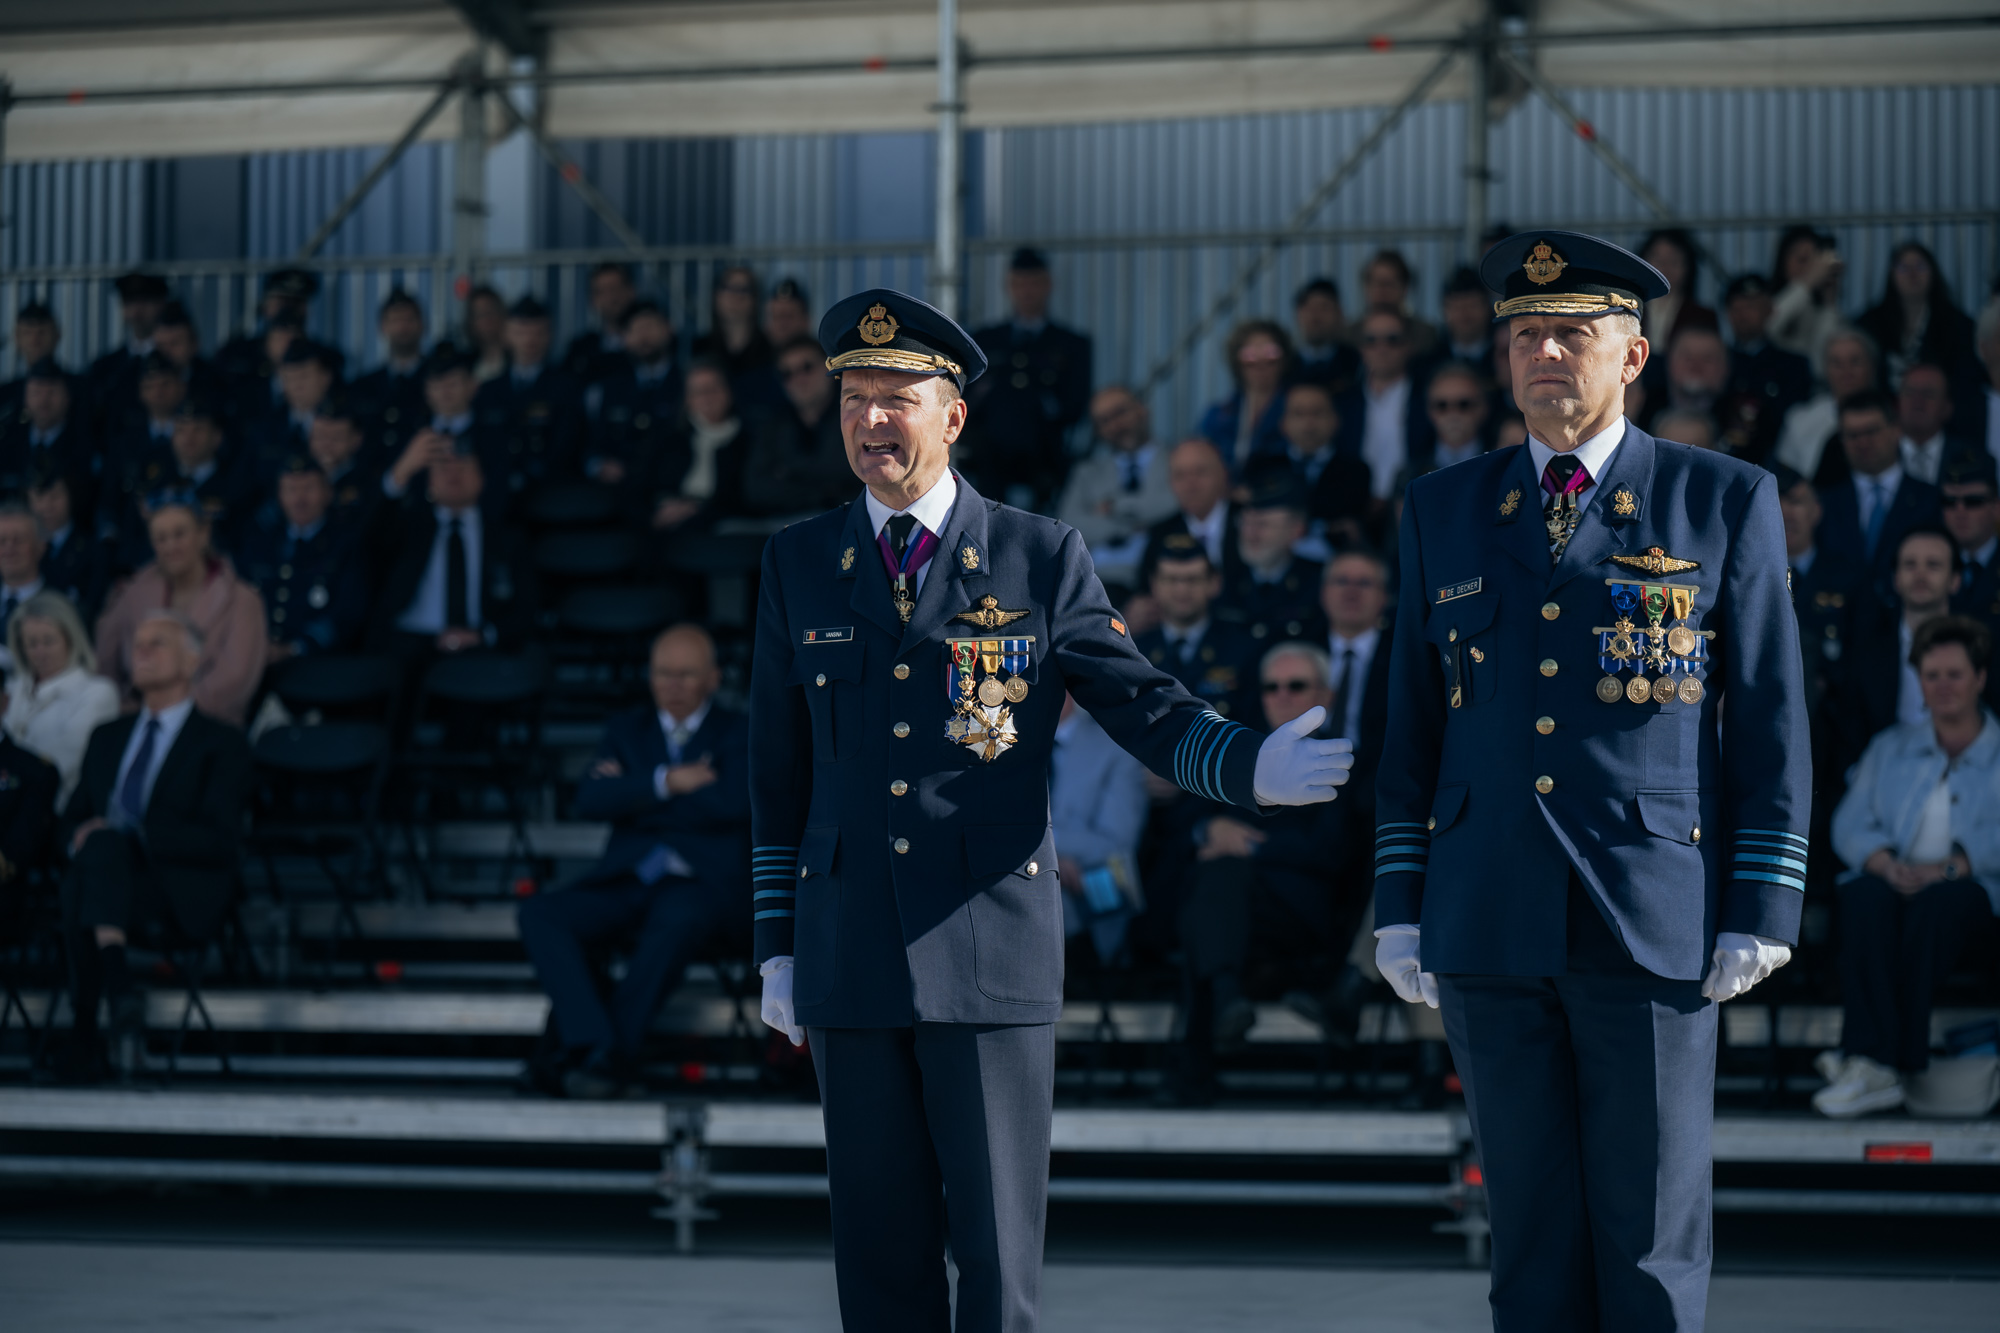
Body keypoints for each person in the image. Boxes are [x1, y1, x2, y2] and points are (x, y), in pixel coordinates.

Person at [749, 287, 1349, 1331]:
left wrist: (1245, 765)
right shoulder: (799, 560)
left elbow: (1140, 703)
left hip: (986, 945)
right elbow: (778, 767)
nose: (870, 419)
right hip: (848, 945)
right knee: (877, 1261)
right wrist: (775, 943)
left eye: (896, 398)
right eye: (853, 398)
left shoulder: (1035, 554)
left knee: (994, 1265)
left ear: (953, 416)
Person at [1375, 231, 1810, 1331]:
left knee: (1649, 1236)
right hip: (1485, 911)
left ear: (1633, 355)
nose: (1545, 352)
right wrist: (1399, 902)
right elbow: (1411, 724)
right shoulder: (1444, 507)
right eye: (1525, 334)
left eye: (1572, 332)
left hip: (1648, 914)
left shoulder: (1719, 498)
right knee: (1527, 1238)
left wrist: (1761, 900)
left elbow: (1768, 715)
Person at [518, 624, 750, 1099]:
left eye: (686, 674)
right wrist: (669, 781)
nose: (673, 685)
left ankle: (601, 1055)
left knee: (679, 914)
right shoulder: (627, 728)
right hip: (630, 876)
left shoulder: (741, 731)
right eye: (663, 673)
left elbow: (734, 803)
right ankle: (598, 1045)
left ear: (713, 677)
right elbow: (589, 799)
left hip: (702, 883)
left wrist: (635, 792)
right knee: (541, 913)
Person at [55, 611, 252, 1081]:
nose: (139, 652)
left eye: (156, 643)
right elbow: (69, 821)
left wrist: (131, 836)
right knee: (95, 857)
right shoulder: (107, 737)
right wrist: (82, 838)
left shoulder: (221, 742)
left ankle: (85, 1032)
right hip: (109, 887)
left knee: (93, 865)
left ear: (192, 661)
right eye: (136, 644)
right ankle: (117, 989)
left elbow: (221, 839)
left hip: (175, 889)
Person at [1820, 616, 2000, 1117]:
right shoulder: (1890, 747)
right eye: (1931, 675)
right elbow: (1849, 821)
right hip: (1896, 882)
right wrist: (1882, 863)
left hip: (1973, 898)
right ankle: (1874, 1063)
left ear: (1980, 678)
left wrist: (1954, 867)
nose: (1942, 686)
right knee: (1862, 895)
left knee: (1938, 906)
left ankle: (1879, 1059)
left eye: (1955, 674)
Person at [1170, 642, 1353, 1097]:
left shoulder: (1341, 757)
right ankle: (1225, 999)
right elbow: (1188, 820)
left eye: (1296, 685)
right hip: (1240, 912)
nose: (1282, 696)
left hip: (1302, 910)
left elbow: (1332, 849)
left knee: (1211, 893)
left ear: (1325, 695)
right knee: (1212, 892)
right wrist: (1210, 828)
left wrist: (1247, 846)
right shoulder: (1242, 751)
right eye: (1272, 687)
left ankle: (1198, 1056)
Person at [96, 499, 268, 728]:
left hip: (208, 730)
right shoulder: (133, 592)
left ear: (203, 534)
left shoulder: (242, 600)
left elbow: (234, 681)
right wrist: (127, 711)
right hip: (136, 722)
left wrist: (166, 712)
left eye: (179, 534)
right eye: (161, 538)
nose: (170, 546)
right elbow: (106, 662)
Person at [365, 448, 535, 665]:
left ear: (482, 478)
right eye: (444, 467)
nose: (453, 472)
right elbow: (371, 534)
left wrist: (484, 635)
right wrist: (398, 476)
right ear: (429, 481)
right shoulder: (407, 529)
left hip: (482, 646)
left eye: (463, 465)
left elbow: (526, 607)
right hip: (408, 645)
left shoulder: (508, 538)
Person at [1823, 525, 1961, 778]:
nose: (1920, 575)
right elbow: (1848, 738)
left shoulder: (1981, 649)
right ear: (1895, 579)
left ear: (1955, 580)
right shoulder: (1865, 652)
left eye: (1933, 565)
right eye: (1910, 565)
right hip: (1882, 780)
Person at [964, 248, 1093, 508]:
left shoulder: (1072, 344)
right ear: (1008, 287)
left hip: (1045, 453)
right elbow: (969, 397)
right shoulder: (985, 339)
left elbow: (1075, 405)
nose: (1026, 292)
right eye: (1019, 284)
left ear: (1048, 285)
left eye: (1034, 283)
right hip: (990, 456)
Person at [1816, 388, 1945, 611]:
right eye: (1853, 435)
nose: (1863, 442)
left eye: (1871, 431)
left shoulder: (1930, 498)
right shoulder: (1823, 503)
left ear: (1896, 430)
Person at [1051, 692, 1150, 966]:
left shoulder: (1115, 747)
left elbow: (1117, 841)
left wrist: (1045, 853)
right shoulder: (999, 745)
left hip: (1089, 887)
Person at [238, 459, 368, 662]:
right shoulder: (261, 540)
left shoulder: (346, 544)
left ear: (328, 493)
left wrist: (295, 648)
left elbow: (347, 613)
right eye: (291, 490)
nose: (299, 499)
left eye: (309, 489)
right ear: (279, 496)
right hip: (255, 657)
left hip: (318, 663)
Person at [1052, 386, 1176, 593]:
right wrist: (1132, 525)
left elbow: (1174, 503)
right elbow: (1068, 527)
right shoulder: (1086, 473)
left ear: (1142, 410)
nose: (1116, 426)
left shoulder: (1176, 459)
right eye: (1104, 421)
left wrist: (1115, 507)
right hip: (1096, 583)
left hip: (1160, 583)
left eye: (1120, 412)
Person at [108, 398, 253, 573]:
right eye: (181, 430)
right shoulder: (153, 482)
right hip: (151, 576)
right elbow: (130, 543)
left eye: (198, 429)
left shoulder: (236, 486)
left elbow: (241, 547)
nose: (188, 438)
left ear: (217, 437)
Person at [4, 591, 121, 807]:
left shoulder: (97, 692)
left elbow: (63, 766)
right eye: (31, 643)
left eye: (49, 642)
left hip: (54, 810)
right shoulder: (12, 688)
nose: (40, 652)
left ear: (70, 638)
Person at [1133, 535, 1257, 722]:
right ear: (1154, 584)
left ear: (1214, 583)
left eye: (1192, 579)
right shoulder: (1136, 651)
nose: (1182, 590)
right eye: (1171, 579)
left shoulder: (1244, 647)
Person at [472, 296, 583, 501]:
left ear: (549, 336)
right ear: (506, 335)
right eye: (521, 332)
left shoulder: (566, 387)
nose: (530, 340)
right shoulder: (488, 391)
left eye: (538, 332)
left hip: (549, 495)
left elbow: (566, 445)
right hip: (495, 495)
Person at [1248, 381, 1371, 551]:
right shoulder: (1261, 466)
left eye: (1317, 413)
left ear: (1336, 420)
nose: (1308, 423)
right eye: (1299, 414)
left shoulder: (1357, 471)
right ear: (1283, 423)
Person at [742, 334, 853, 519]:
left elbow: (859, 481)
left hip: (844, 521)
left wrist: (788, 476)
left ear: (830, 368)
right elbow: (756, 488)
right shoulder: (773, 426)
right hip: (784, 525)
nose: (798, 379)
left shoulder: (855, 417)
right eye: (787, 374)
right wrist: (826, 491)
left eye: (807, 368)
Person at [634, 359, 747, 535]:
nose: (707, 397)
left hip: (717, 531)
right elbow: (637, 488)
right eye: (698, 391)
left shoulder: (748, 440)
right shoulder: (666, 439)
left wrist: (696, 509)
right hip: (663, 527)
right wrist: (654, 516)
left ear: (729, 392)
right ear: (687, 399)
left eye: (713, 388)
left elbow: (747, 499)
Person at [1336, 307, 1435, 506]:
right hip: (1357, 508)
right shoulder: (1343, 402)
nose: (1381, 348)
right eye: (1371, 340)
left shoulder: (1429, 397)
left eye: (1392, 340)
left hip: (1412, 503)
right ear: (1361, 348)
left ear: (1408, 345)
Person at [585, 298, 682, 488]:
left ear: (668, 329)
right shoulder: (610, 387)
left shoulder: (687, 382)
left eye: (650, 327)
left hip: (671, 485)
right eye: (636, 329)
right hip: (618, 487)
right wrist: (599, 465)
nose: (644, 336)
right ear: (625, 338)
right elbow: (594, 443)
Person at [1856, 241, 1979, 392]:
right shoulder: (1868, 325)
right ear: (1891, 275)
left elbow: (1966, 379)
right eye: (1903, 268)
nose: (1912, 274)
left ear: (1933, 273)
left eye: (1920, 267)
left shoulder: (1959, 326)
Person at [1219, 475, 1324, 647]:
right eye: (1246, 523)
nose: (1251, 534)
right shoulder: (1226, 581)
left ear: (1296, 530)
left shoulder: (1318, 584)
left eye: (1263, 524)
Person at [1773, 327, 1882, 487]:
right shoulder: (1800, 419)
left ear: (1871, 367)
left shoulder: (1895, 417)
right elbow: (1784, 478)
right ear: (1825, 370)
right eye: (1836, 363)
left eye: (1855, 361)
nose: (1846, 372)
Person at [1198, 320, 1292, 474]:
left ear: (1284, 359)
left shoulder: (1300, 409)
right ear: (1236, 362)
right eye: (1250, 355)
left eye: (1271, 354)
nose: (1261, 363)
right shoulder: (1217, 415)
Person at [242, 338, 339, 486]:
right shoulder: (264, 428)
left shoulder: (342, 423)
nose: (296, 385)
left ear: (326, 377)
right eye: (289, 378)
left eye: (304, 376)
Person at [84, 272, 170, 437]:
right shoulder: (104, 367)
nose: (137, 311)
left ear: (161, 304)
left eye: (145, 301)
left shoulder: (173, 361)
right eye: (129, 302)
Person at [1723, 273, 1814, 428]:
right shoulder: (1718, 362)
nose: (1743, 315)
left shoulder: (1793, 365)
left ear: (1769, 310)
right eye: (1736, 308)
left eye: (1751, 307)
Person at [349, 288, 429, 458]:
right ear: (382, 327)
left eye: (409, 319)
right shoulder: (363, 386)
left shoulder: (435, 381)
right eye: (395, 320)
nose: (402, 327)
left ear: (422, 325)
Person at [0, 359, 93, 506]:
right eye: (36, 393)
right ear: (25, 399)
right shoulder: (8, 441)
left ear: (67, 398)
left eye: (52, 392)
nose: (44, 401)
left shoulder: (84, 444)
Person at [1768, 224, 1847, 378]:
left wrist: (1830, 299)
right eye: (1798, 256)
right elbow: (1768, 326)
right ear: (1782, 260)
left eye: (1812, 257)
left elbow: (1823, 358)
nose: (1805, 263)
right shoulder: (1769, 300)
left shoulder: (1822, 309)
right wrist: (1807, 283)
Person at [31, 470, 108, 624]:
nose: (47, 506)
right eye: (40, 496)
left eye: (55, 497)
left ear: (71, 496)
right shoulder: (19, 547)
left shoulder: (93, 549)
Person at [1638, 227, 1719, 356]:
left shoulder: (1703, 316)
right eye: (1658, 260)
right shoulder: (1627, 310)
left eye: (1674, 261)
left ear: (1688, 267)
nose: (1665, 267)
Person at [562, 261, 638, 387]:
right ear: (592, 300)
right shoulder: (580, 350)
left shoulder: (650, 346)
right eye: (601, 292)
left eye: (614, 289)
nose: (610, 298)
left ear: (631, 291)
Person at [1358, 249, 1437, 357]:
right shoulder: (1349, 335)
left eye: (1388, 284)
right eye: (1376, 284)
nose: (1382, 291)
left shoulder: (1425, 335)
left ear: (1405, 288)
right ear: (1366, 287)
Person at [1417, 361, 1491, 475]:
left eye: (1464, 404)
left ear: (1483, 408)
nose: (1453, 414)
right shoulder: (1410, 475)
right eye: (1442, 405)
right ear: (1429, 411)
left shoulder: (1502, 467)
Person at [1895, 362, 1963, 485]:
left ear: (1947, 407)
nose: (1917, 402)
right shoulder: (1878, 455)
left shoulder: (1973, 460)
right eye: (1910, 393)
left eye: (1928, 394)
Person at [1290, 277, 1359, 396]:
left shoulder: (1356, 363)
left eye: (1324, 307)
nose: (1315, 316)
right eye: (1309, 308)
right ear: (1298, 314)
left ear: (1339, 313)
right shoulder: (1284, 366)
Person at [1435, 266, 1497, 381]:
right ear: (1444, 311)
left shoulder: (1502, 358)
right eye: (1457, 307)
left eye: (1472, 306)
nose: (1464, 314)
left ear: (1488, 308)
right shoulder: (1430, 364)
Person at [462, 285, 510, 385]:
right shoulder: (465, 364)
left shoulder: (517, 360)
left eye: (490, 312)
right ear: (471, 322)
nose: (487, 320)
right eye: (480, 315)